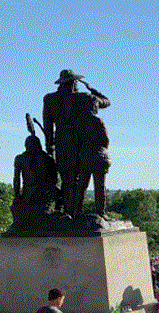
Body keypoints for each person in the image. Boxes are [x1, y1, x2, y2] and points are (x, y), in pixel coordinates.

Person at [41, 70, 111, 216]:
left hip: (60, 142)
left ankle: (68, 211)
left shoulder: (49, 99)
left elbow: (48, 126)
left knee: (66, 178)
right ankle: (74, 213)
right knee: (78, 178)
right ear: (74, 82)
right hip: (78, 141)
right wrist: (92, 89)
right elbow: (106, 102)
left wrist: (49, 145)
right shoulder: (84, 97)